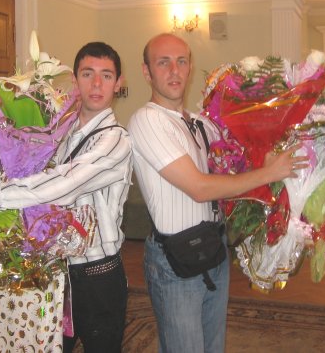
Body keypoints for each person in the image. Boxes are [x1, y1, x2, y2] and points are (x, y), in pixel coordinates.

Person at [127, 33, 308, 353]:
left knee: (213, 346)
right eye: (163, 63)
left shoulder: (201, 123)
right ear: (147, 72)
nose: (174, 70)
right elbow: (199, 188)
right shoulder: (147, 120)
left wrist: (271, 152)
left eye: (181, 61)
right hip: (176, 259)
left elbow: (236, 169)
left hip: (213, 248)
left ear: (190, 67)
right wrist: (269, 173)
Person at [0, 42, 133, 353]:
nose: (96, 84)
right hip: (55, 270)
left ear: (118, 83)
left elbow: (63, 185)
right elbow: (30, 174)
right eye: (88, 74)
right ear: (74, 79)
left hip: (97, 274)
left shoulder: (116, 139)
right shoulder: (60, 131)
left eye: (106, 76)